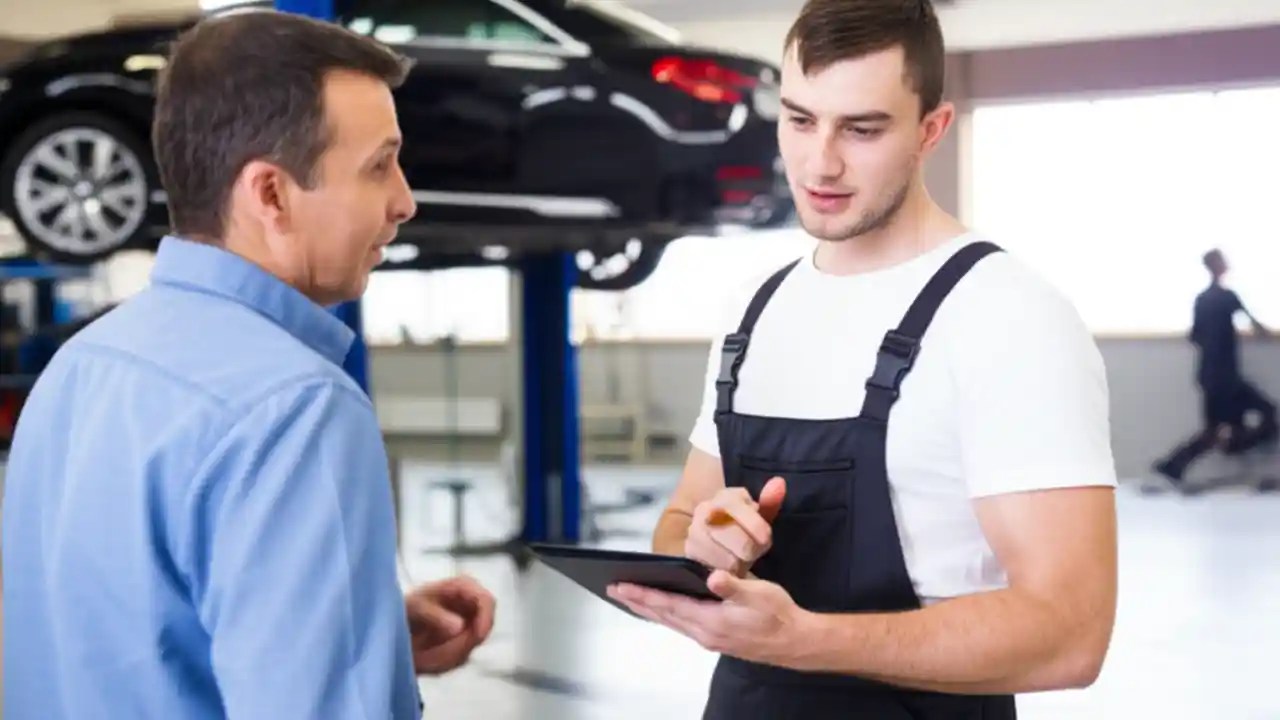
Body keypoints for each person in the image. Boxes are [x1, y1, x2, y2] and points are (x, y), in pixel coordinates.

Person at [607, 1, 1119, 717]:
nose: (821, 162)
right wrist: (710, 546)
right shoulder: (756, 308)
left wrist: (802, 638)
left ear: (930, 130)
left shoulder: (1007, 315)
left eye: (862, 128)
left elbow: (1071, 636)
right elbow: (683, 517)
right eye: (800, 119)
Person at [1, 12, 494, 718]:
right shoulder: (295, 407)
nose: (403, 200)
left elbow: (112, 637)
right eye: (379, 165)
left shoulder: (81, 368)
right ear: (270, 194)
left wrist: (359, 631)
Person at [1153, 248, 1277, 486]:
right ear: (1219, 266)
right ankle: (1233, 445)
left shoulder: (1202, 299)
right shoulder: (1228, 297)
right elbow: (1258, 328)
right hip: (1226, 378)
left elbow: (1194, 336)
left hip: (1208, 375)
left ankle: (1173, 465)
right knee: (1268, 412)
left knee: (1213, 431)